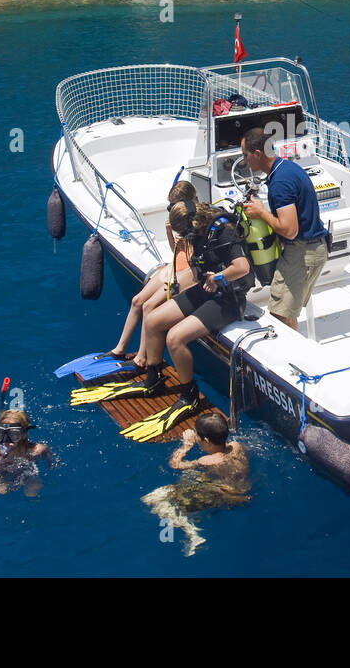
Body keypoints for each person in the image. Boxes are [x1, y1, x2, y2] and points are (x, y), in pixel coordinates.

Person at [112, 201, 253, 441]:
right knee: (154, 319)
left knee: (175, 338)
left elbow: (243, 267)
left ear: (194, 222)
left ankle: (189, 396)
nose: (184, 237)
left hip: (228, 300)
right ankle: (154, 378)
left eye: (184, 232)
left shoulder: (224, 231)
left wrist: (218, 276)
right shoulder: (197, 233)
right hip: (205, 288)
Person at [240, 127, 328, 331]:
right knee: (286, 314)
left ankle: (291, 360)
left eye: (246, 155)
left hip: (302, 253)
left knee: (280, 315)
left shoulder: (280, 182)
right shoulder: (285, 168)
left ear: (258, 153)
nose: (245, 160)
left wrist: (261, 212)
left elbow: (289, 230)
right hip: (311, 248)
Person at [107, 179, 198, 370]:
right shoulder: (180, 219)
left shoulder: (195, 221)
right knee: (137, 301)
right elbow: (176, 251)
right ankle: (119, 349)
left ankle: (141, 358)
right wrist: (169, 231)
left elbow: (193, 260)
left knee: (149, 307)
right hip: (172, 266)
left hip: (183, 273)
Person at [140, 411, 250, 556]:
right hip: (240, 491)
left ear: (206, 440)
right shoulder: (236, 446)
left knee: (156, 499)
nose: (195, 438)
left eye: (197, 436)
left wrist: (186, 445)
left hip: (223, 494)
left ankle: (193, 533)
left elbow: (175, 464)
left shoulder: (206, 461)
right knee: (187, 479)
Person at [0, 408, 53, 506]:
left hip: (26, 472)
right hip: (0, 471)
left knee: (32, 494)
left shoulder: (36, 450)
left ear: (24, 434)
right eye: (1, 434)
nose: (6, 439)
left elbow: (49, 457)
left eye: (13, 435)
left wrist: (51, 465)